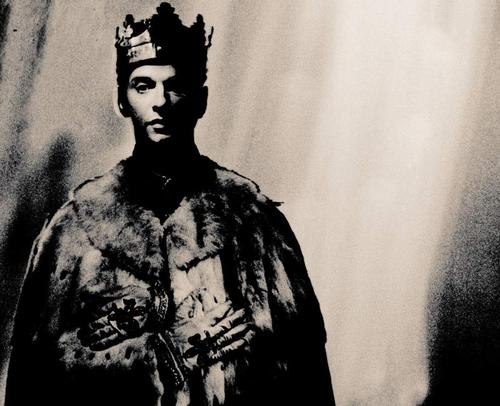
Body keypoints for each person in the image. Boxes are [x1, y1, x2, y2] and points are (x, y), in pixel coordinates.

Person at [5, 3, 335, 405]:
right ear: (122, 100)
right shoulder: (71, 232)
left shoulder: (255, 224)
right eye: (143, 86)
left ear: (201, 100)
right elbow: (30, 382)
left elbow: (307, 378)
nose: (161, 101)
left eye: (176, 86)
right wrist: (141, 350)